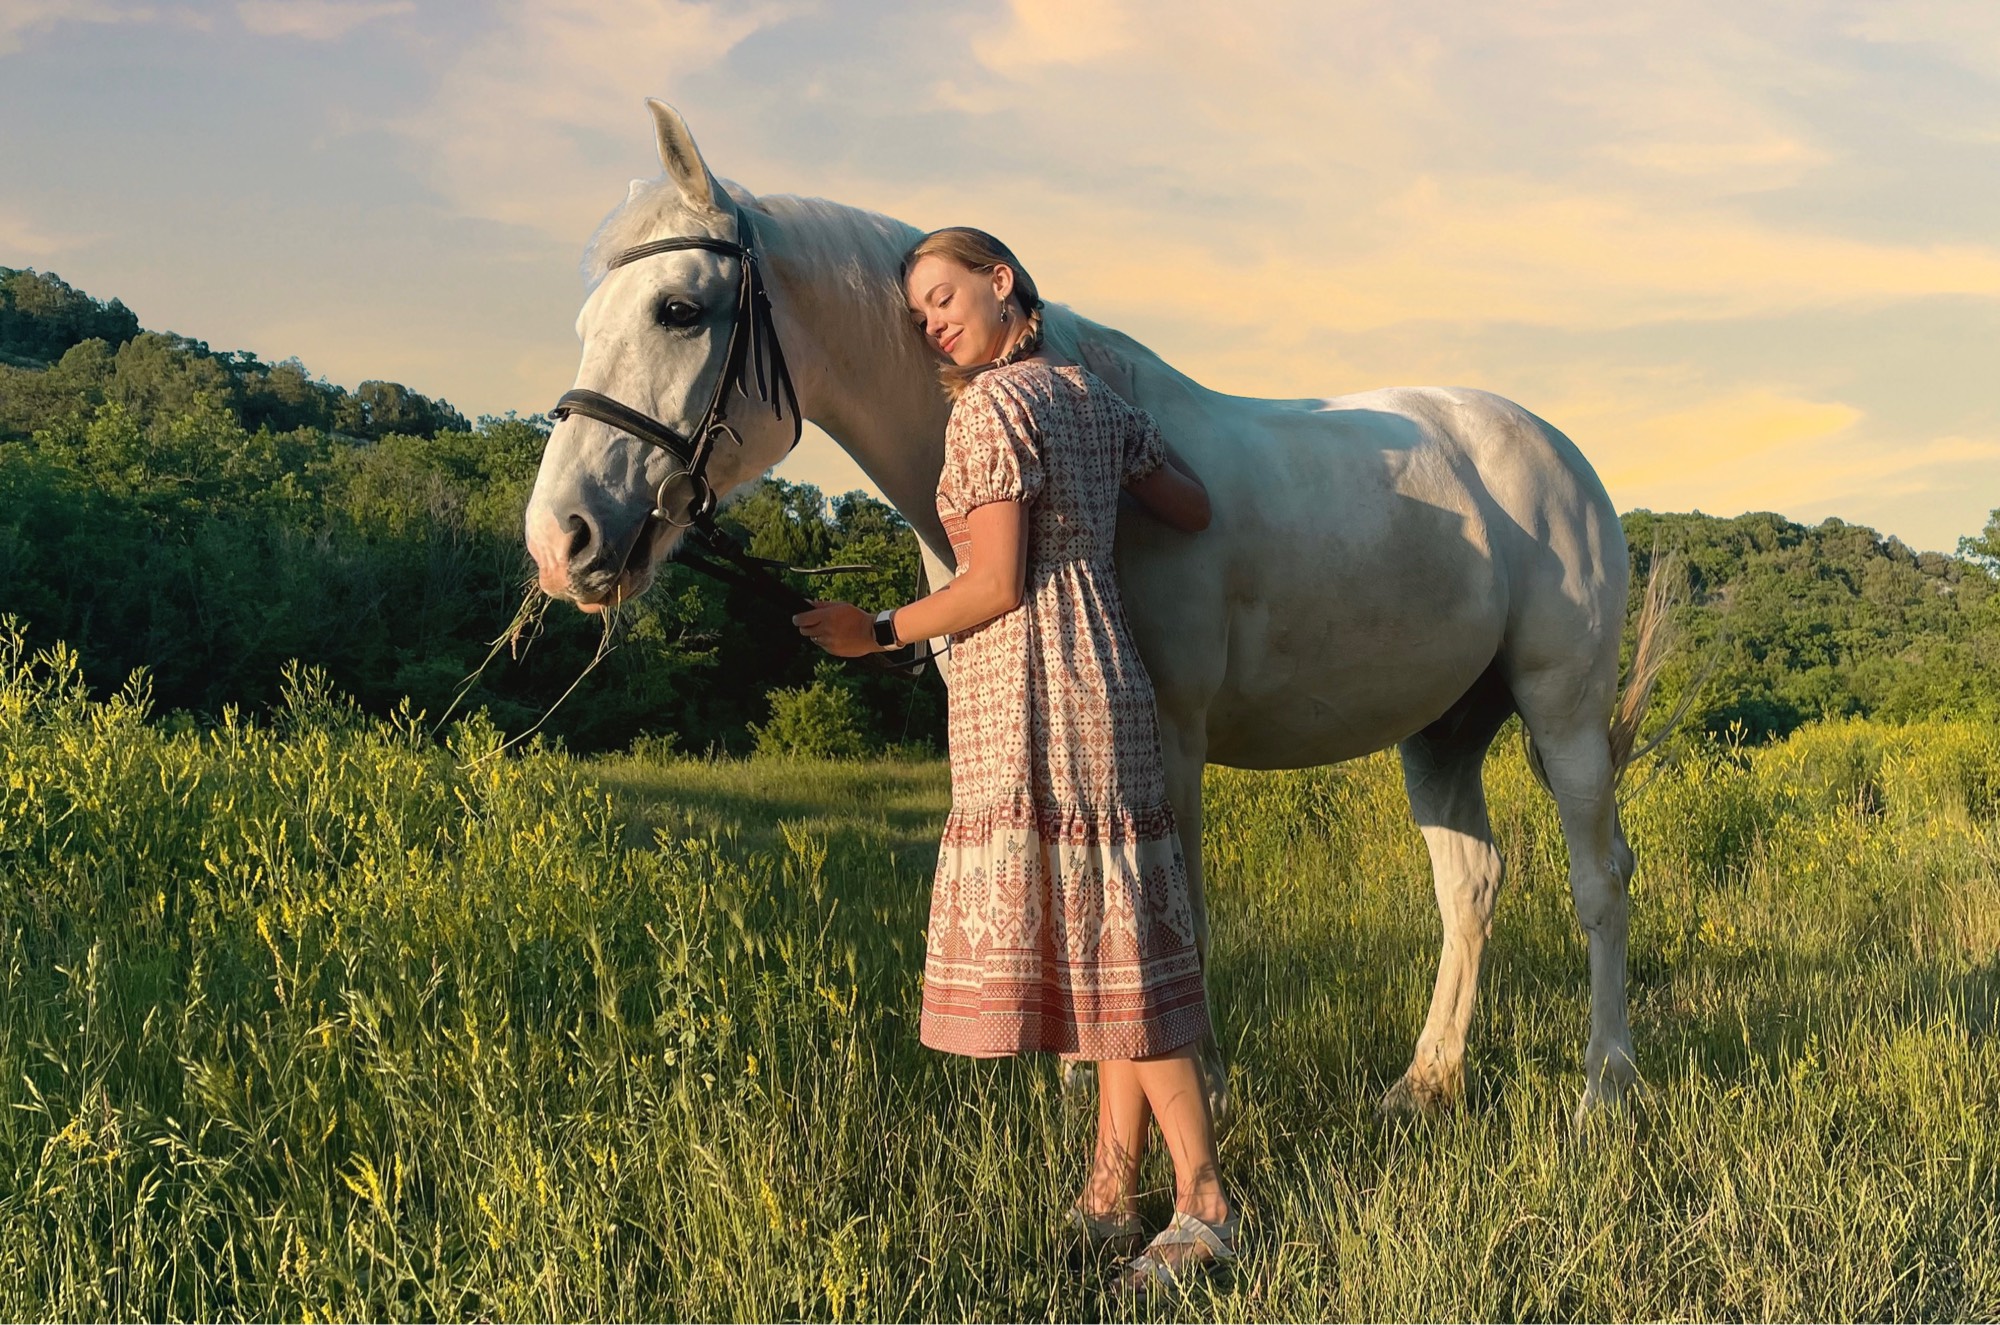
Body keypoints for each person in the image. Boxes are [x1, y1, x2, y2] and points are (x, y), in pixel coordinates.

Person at [791, 227, 1235, 1289]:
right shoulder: (1086, 393)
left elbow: (991, 584)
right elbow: (1190, 503)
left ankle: (1206, 1200)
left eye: (944, 296)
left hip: (1040, 687)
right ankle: (1105, 1183)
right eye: (919, 315)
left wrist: (879, 631)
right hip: (1107, 668)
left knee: (1114, 952)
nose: (932, 322)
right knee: (1108, 934)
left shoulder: (990, 407)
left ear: (1003, 283)